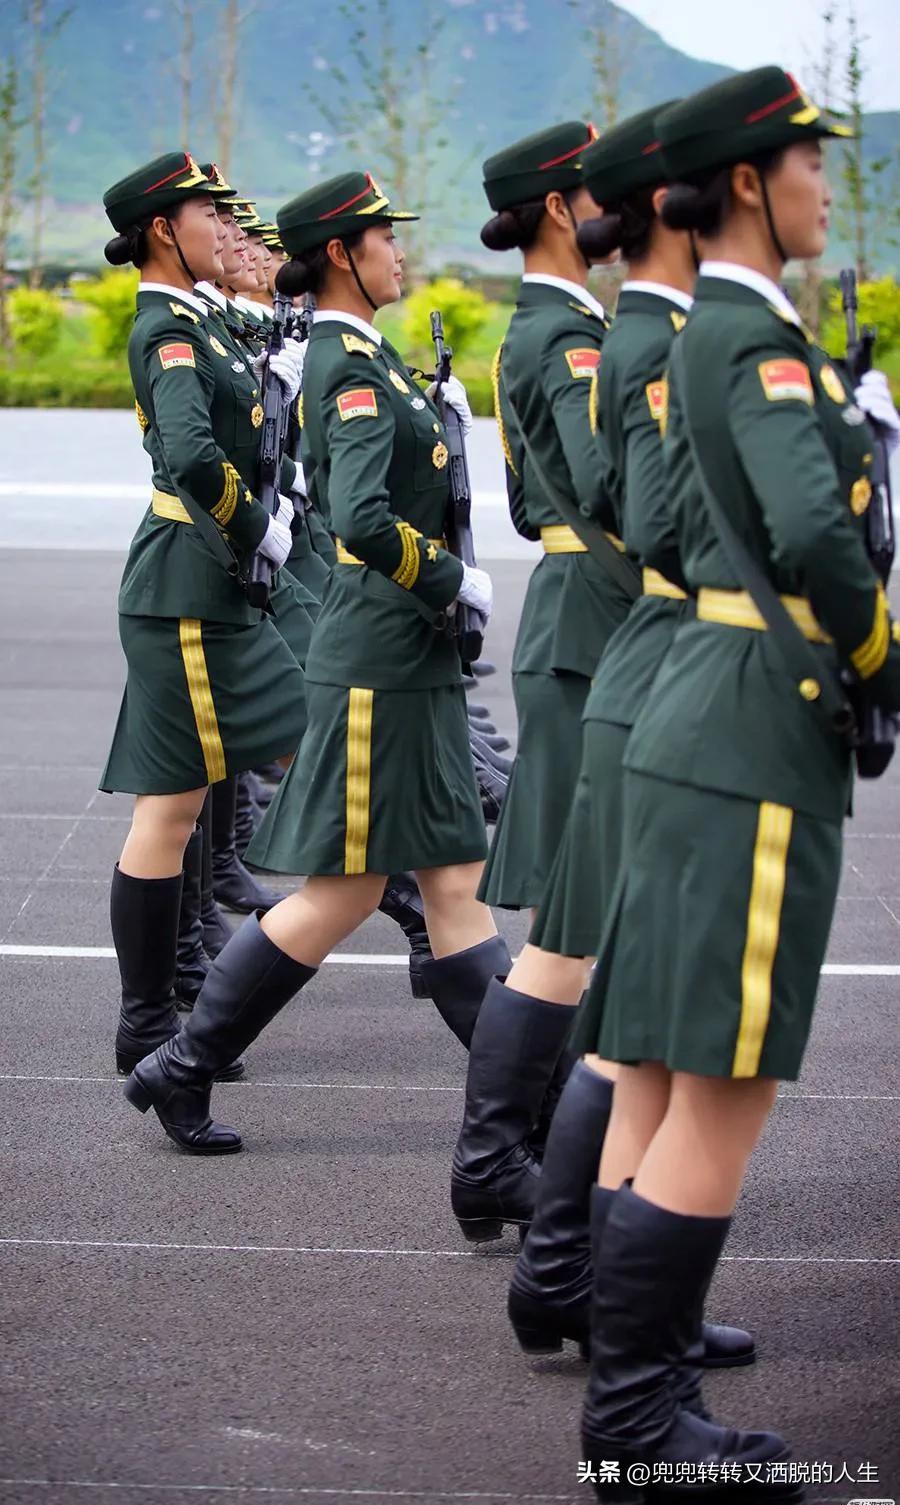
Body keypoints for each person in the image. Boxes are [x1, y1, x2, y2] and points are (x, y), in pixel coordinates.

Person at [577, 67, 900, 1494]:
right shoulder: (753, 339)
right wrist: (880, 659)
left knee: (656, 1060)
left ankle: (622, 1375)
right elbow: (818, 542)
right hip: (754, 728)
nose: (829, 185)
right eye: (810, 164)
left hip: (692, 712)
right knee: (727, 1081)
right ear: (754, 185)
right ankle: (639, 1427)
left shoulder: (711, 328)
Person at [122, 171, 510, 1154]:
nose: (400, 252)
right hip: (344, 642)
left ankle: (516, 1114)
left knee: (419, 882)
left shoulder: (350, 352)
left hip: (389, 654)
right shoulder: (328, 356)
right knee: (202, 813)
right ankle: (164, 1036)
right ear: (343, 251)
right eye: (386, 237)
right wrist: (443, 573)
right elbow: (337, 504)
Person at [505, 106, 754, 1382]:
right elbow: (639, 511)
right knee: (610, 974)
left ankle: (580, 1278)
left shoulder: (625, 336)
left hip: (627, 649)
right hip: (638, 654)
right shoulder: (630, 342)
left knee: (622, 990)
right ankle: (575, 1275)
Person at [450, 122, 641, 1243]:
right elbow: (607, 483)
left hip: (588, 614)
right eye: (600, 191)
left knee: (586, 916)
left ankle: (516, 1163)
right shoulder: (567, 335)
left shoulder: (558, 326)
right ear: (564, 209)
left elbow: (539, 502)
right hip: (592, 628)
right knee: (576, 918)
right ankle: (500, 1163)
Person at [98, 152, 306, 1080]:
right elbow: (187, 451)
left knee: (186, 799)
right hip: (188, 581)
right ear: (160, 230)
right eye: (200, 214)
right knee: (172, 805)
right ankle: (150, 1024)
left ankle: (167, 1014)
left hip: (213, 577)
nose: (218, 228)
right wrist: (261, 526)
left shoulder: (199, 322)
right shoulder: (164, 328)